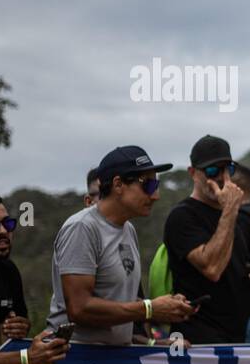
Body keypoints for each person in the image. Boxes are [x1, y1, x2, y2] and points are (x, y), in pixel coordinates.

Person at [46, 147, 193, 345]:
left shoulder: (128, 230)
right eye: (148, 186)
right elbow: (79, 309)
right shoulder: (82, 227)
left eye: (156, 185)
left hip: (114, 358)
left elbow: (118, 306)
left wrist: (163, 315)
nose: (155, 195)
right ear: (118, 184)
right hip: (76, 359)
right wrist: (149, 309)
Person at [163, 135, 250, 344]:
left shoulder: (231, 216)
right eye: (212, 171)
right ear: (193, 173)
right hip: (198, 339)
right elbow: (212, 268)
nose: (222, 177)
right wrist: (230, 209)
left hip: (236, 335)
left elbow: (234, 269)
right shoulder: (182, 216)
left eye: (228, 169)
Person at [0, 193, 67, 364]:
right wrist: (26, 358)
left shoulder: (7, 271)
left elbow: (20, 323)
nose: (3, 231)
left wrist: (21, 328)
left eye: (7, 223)